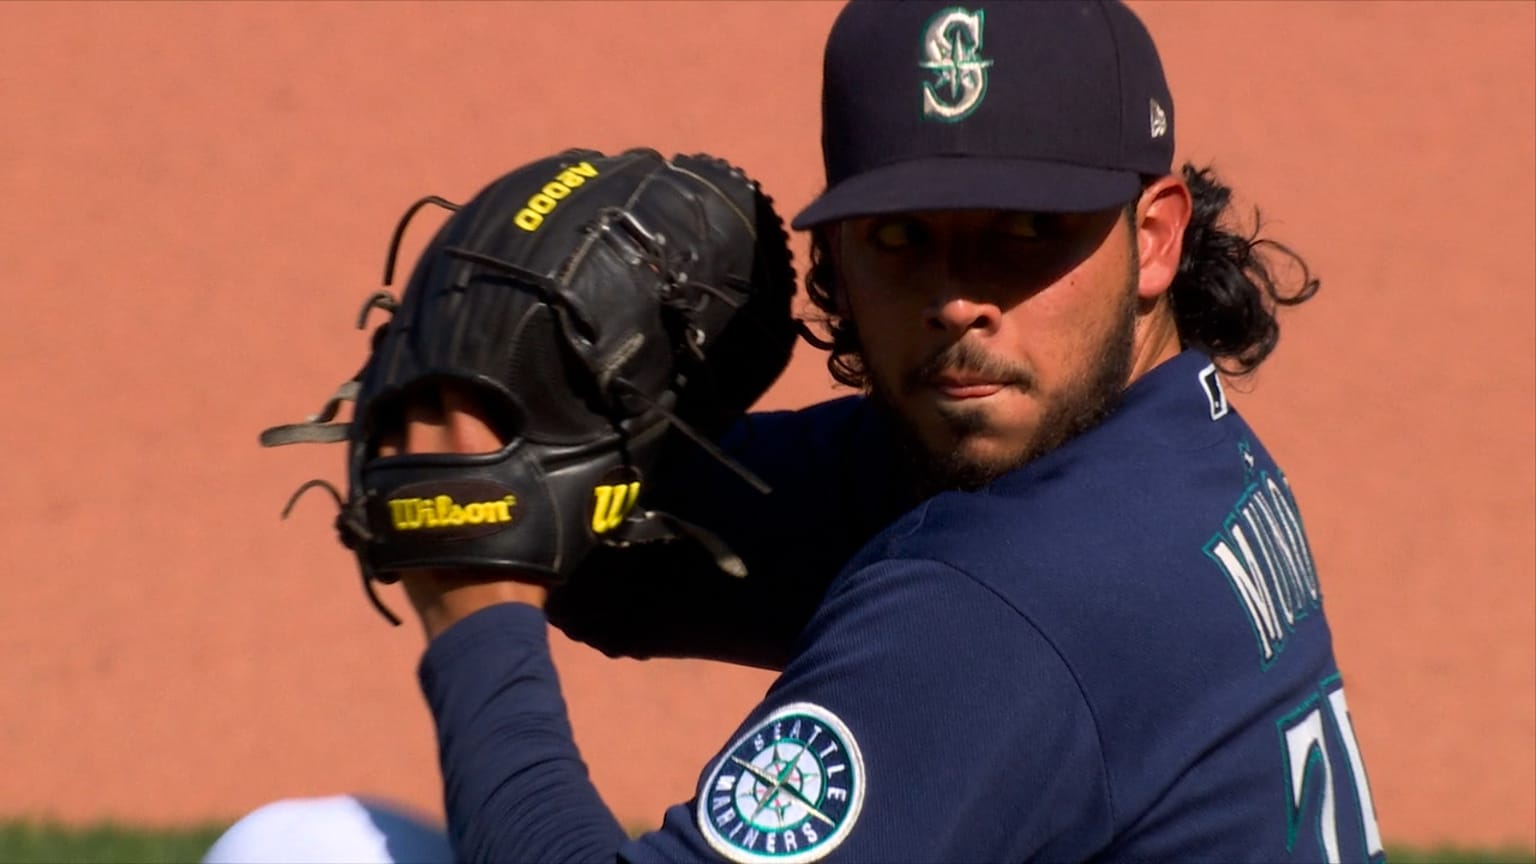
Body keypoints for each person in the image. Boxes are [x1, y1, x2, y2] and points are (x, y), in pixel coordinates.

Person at [207, 1, 1385, 861]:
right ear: (831, 254)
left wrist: (475, 620)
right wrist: (506, 450)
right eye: (900, 239)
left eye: (1027, 229)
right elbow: (686, 556)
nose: (957, 296)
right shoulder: (1153, 448)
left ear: (1157, 237)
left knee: (300, 855)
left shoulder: (1014, 605)